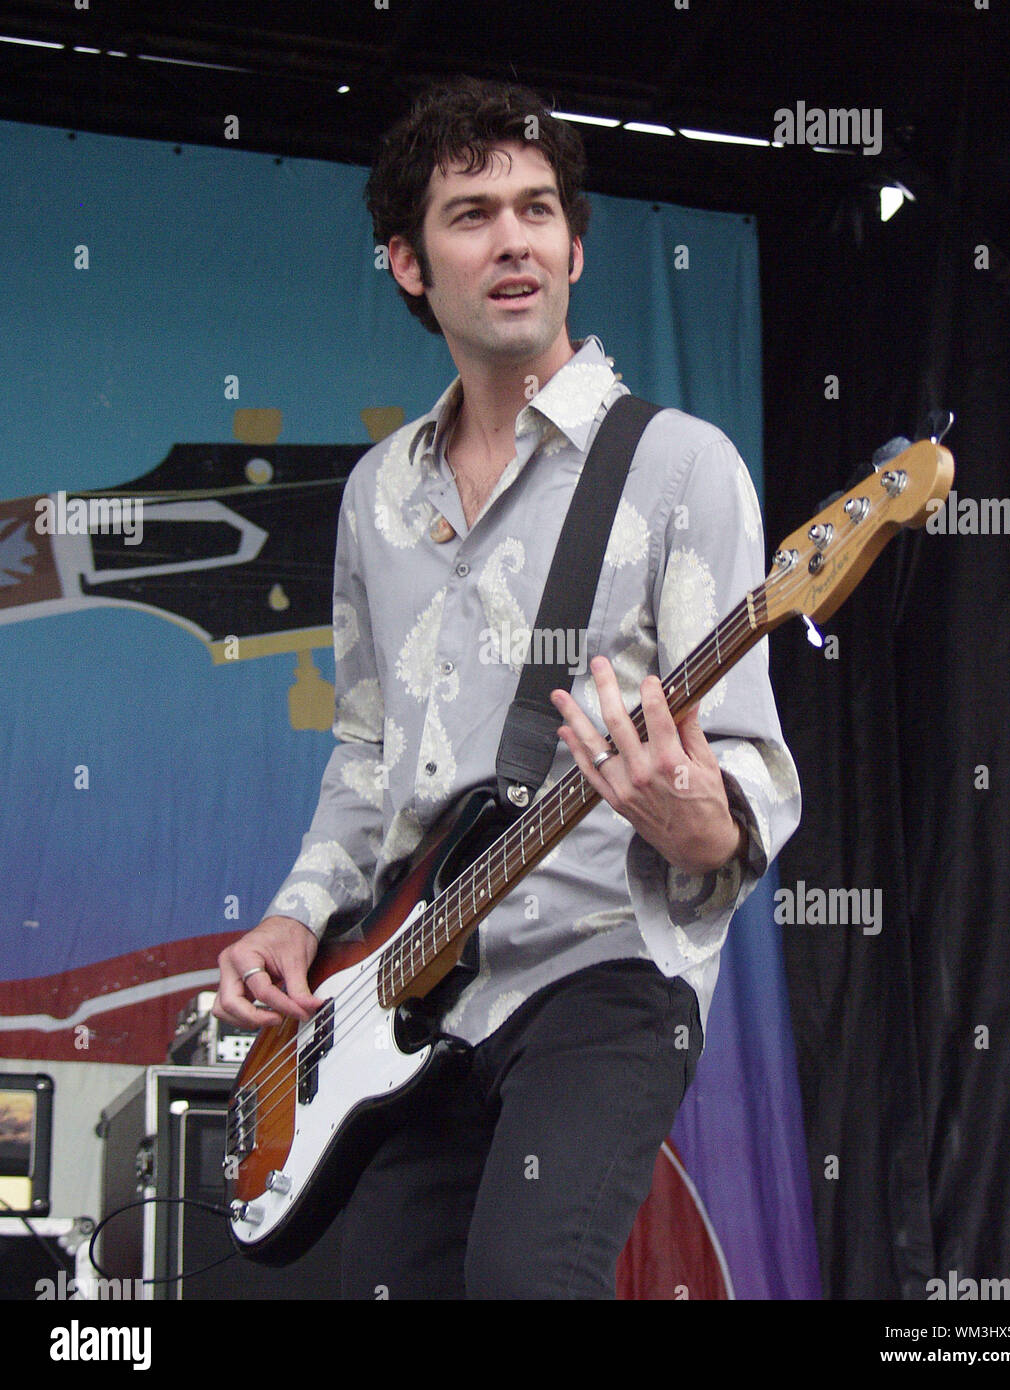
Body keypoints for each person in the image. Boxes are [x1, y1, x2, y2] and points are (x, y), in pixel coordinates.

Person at [214, 75, 800, 1299]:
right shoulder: (379, 493)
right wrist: (291, 914)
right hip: (414, 990)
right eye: (472, 213)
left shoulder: (681, 465)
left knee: (535, 1276)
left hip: (602, 967)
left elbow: (745, 769)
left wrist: (698, 815)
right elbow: (368, 758)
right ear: (409, 264)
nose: (516, 237)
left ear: (578, 249)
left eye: (539, 209)